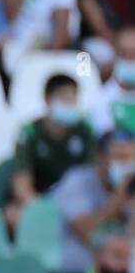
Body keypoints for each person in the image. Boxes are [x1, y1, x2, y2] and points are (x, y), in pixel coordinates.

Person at [6, 73, 95, 230]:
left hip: (76, 201)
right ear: (47, 99)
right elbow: (21, 182)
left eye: (72, 99)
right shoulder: (30, 132)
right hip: (40, 198)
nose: (69, 104)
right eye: (63, 98)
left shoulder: (85, 130)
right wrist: (43, 209)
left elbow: (92, 175)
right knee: (13, 215)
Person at [53, 129, 135, 273]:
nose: (127, 165)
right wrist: (119, 196)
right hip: (74, 270)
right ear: (99, 158)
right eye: (120, 157)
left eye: (131, 158)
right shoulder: (76, 182)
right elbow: (88, 233)